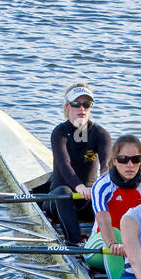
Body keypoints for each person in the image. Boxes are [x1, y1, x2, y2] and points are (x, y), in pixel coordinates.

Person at [48, 82, 110, 246]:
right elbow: (64, 164)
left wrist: (105, 184)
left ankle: (114, 242)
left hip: (88, 199)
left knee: (110, 193)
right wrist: (79, 187)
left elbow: (106, 165)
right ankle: (74, 245)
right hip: (58, 198)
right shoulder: (59, 133)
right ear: (67, 107)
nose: (81, 108)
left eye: (86, 104)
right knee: (63, 191)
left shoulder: (100, 134)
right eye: (76, 104)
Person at [89, 135, 141, 257]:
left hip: (134, 243)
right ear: (114, 161)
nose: (130, 165)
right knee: (118, 233)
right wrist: (113, 244)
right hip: (102, 244)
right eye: (123, 159)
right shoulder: (103, 185)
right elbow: (102, 219)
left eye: (135, 159)